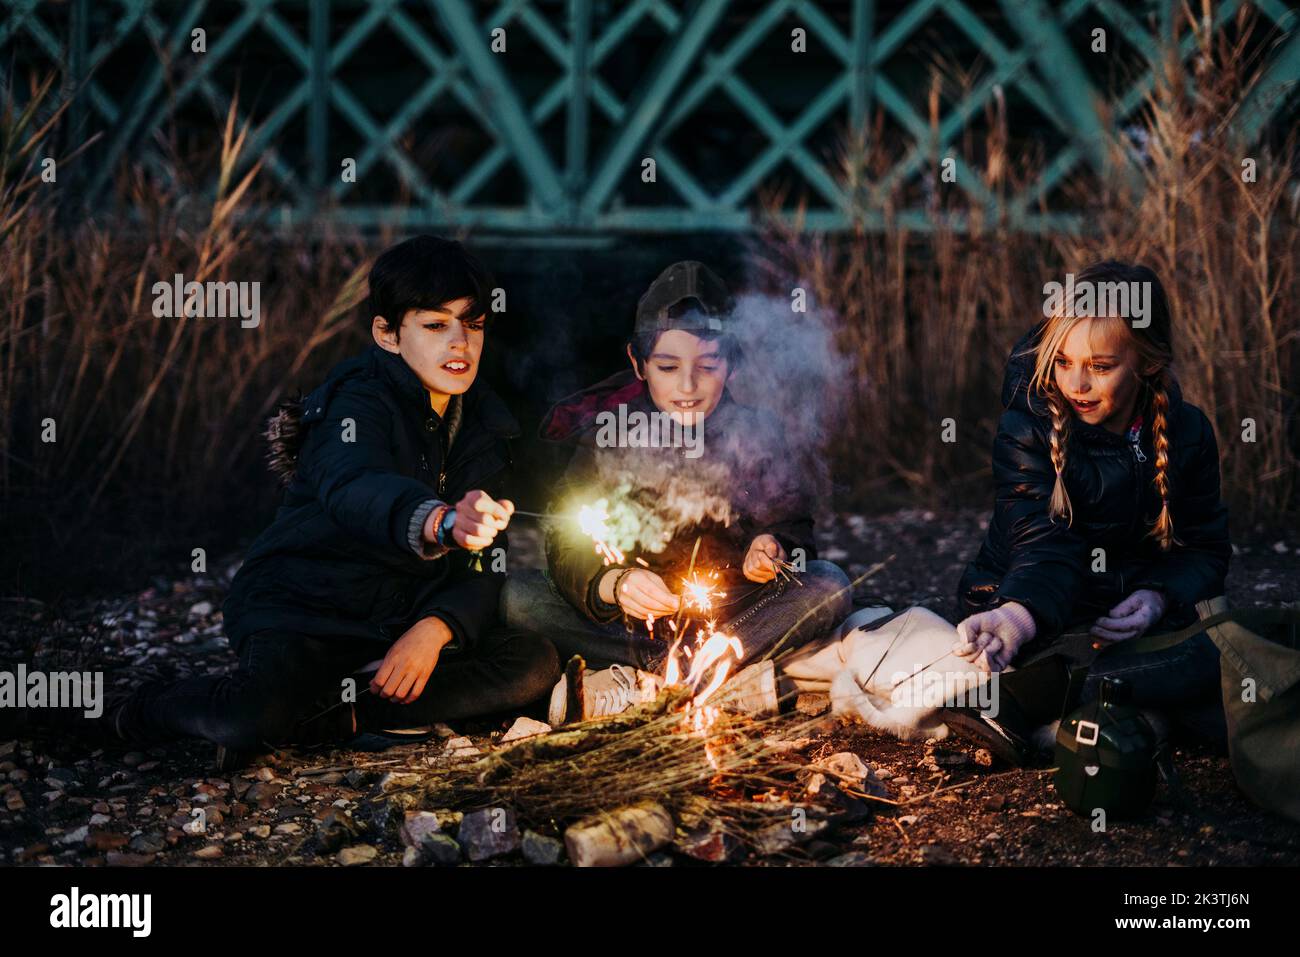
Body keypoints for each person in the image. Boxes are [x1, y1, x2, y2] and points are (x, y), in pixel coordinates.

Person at [102, 236, 559, 768]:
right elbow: (353, 484)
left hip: (399, 618)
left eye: (473, 324)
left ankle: (338, 714)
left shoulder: (488, 425)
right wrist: (438, 521)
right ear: (387, 335)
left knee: (531, 663)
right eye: (435, 325)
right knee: (248, 717)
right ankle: (135, 706)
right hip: (306, 609)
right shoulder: (354, 404)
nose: (460, 343)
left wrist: (437, 628)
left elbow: (488, 563)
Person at [502, 261, 852, 724]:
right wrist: (613, 584)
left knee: (827, 583)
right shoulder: (609, 433)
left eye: (707, 366)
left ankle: (656, 683)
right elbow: (568, 539)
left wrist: (774, 546)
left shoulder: (757, 431)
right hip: (628, 624)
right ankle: (710, 679)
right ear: (639, 364)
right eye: (668, 366)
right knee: (517, 597)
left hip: (732, 614)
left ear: (732, 364)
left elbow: (790, 520)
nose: (687, 386)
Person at [943, 260, 1231, 763]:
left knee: (1231, 641)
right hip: (1032, 607)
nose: (1076, 383)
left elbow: (1205, 550)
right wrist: (1018, 614)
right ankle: (1024, 699)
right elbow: (1042, 538)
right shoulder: (1027, 427)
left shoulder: (1189, 433)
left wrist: (1158, 596)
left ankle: (1076, 703)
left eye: (1100, 367)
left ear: (1147, 363)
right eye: (1063, 362)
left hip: (1128, 620)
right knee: (1109, 659)